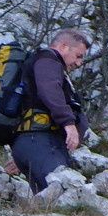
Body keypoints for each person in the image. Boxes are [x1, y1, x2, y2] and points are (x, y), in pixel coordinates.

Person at [8, 28, 91, 192]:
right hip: (40, 141)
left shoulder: (48, 65)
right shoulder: (48, 60)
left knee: (47, 201)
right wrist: (68, 123)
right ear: (64, 46)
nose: (79, 63)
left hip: (36, 143)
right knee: (63, 192)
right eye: (78, 56)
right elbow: (49, 89)